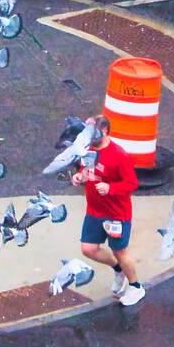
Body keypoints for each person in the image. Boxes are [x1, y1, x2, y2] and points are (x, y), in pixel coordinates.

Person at [72, 116, 145, 306]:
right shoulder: (88, 149)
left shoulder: (119, 155)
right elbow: (84, 169)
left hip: (116, 214)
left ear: (104, 130)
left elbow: (132, 183)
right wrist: (79, 177)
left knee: (120, 251)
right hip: (94, 210)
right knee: (88, 249)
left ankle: (136, 287)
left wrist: (110, 188)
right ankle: (118, 268)